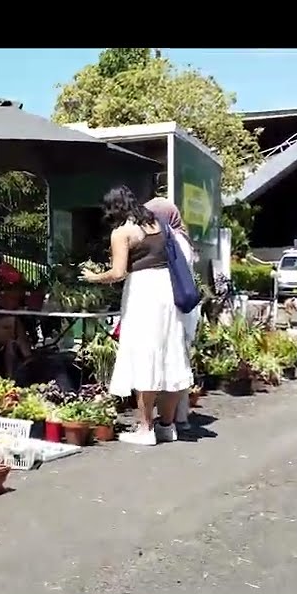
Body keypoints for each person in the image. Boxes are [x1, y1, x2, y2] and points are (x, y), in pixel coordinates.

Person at [82, 186, 193, 445]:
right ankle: (167, 426)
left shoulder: (122, 232)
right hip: (169, 292)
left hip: (144, 294)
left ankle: (145, 429)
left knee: (146, 356)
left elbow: (118, 272)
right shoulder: (158, 223)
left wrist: (94, 277)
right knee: (171, 356)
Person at [144, 196, 201, 431]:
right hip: (185, 307)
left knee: (173, 361)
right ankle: (180, 416)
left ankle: (175, 418)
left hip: (175, 307)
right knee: (180, 359)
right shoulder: (183, 238)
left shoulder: (171, 239)